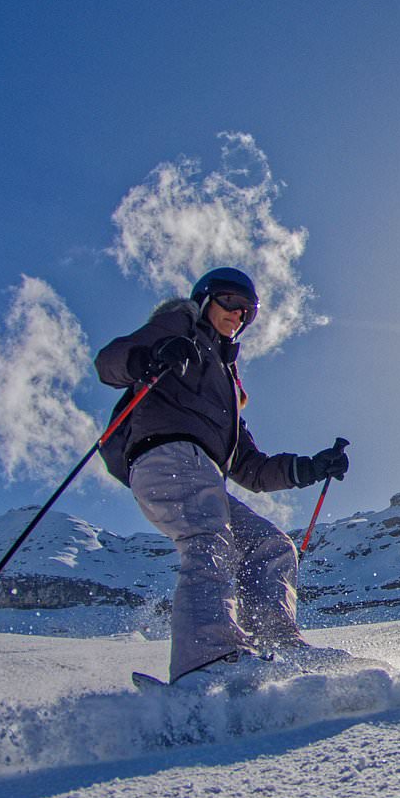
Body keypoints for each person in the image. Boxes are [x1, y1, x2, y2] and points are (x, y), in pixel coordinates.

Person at [96, 266, 349, 685]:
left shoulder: (228, 386)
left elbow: (250, 467)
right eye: (230, 302)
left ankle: (279, 648)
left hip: (204, 473)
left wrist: (310, 467)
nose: (238, 314)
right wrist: (151, 356)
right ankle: (207, 661)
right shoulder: (180, 326)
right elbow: (110, 363)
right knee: (209, 540)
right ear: (206, 299)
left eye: (247, 311)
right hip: (165, 455)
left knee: (271, 545)